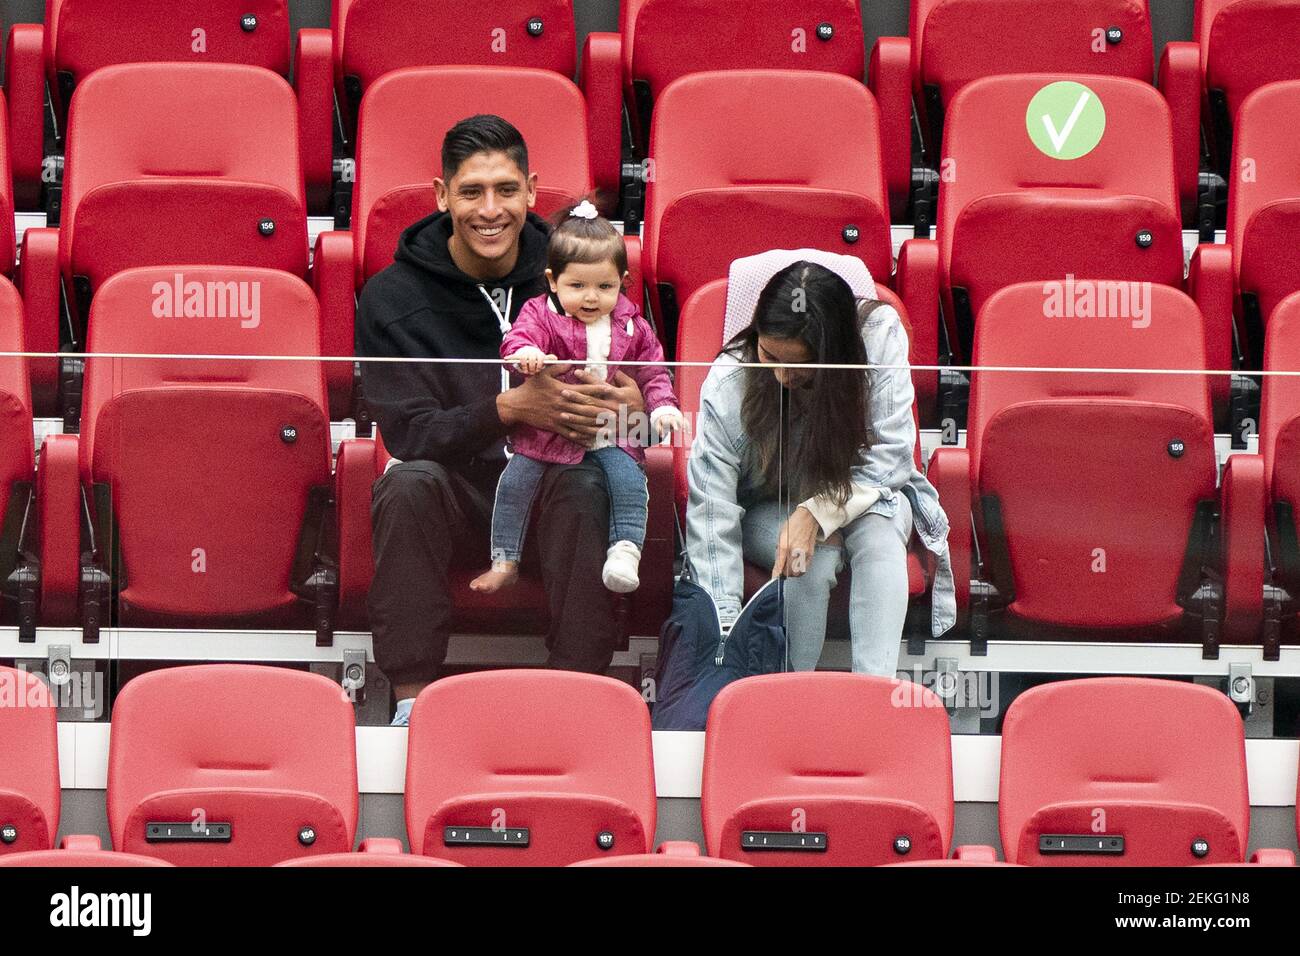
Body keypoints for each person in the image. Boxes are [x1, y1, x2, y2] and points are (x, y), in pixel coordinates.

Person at [356, 115, 647, 725]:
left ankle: (578, 698)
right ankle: (409, 703)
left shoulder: (581, 267)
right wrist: (506, 410)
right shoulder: (391, 296)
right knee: (406, 483)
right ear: (442, 197)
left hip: (557, 484)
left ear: (532, 191)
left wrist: (634, 407)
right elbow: (410, 435)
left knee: (587, 482)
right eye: (471, 192)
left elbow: (642, 377)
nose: (491, 210)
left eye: (506, 190)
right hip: (458, 495)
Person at [685, 250, 955, 675]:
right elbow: (712, 507)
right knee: (812, 559)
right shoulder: (729, 380)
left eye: (799, 366)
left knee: (883, 531)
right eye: (769, 357)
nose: (780, 376)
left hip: (868, 495)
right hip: (773, 506)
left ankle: (876, 694)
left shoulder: (878, 337)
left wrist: (818, 512)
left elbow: (894, 455)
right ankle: (792, 691)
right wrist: (723, 631)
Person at [470, 200, 683, 595]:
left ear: (622, 281)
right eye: (577, 286)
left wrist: (664, 407)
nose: (590, 298)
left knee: (629, 480)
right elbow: (515, 343)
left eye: (605, 287)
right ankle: (504, 558)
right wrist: (527, 356)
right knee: (514, 485)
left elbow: (654, 371)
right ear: (553, 280)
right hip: (544, 433)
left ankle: (625, 551)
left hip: (609, 429)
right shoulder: (539, 313)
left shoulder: (633, 326)